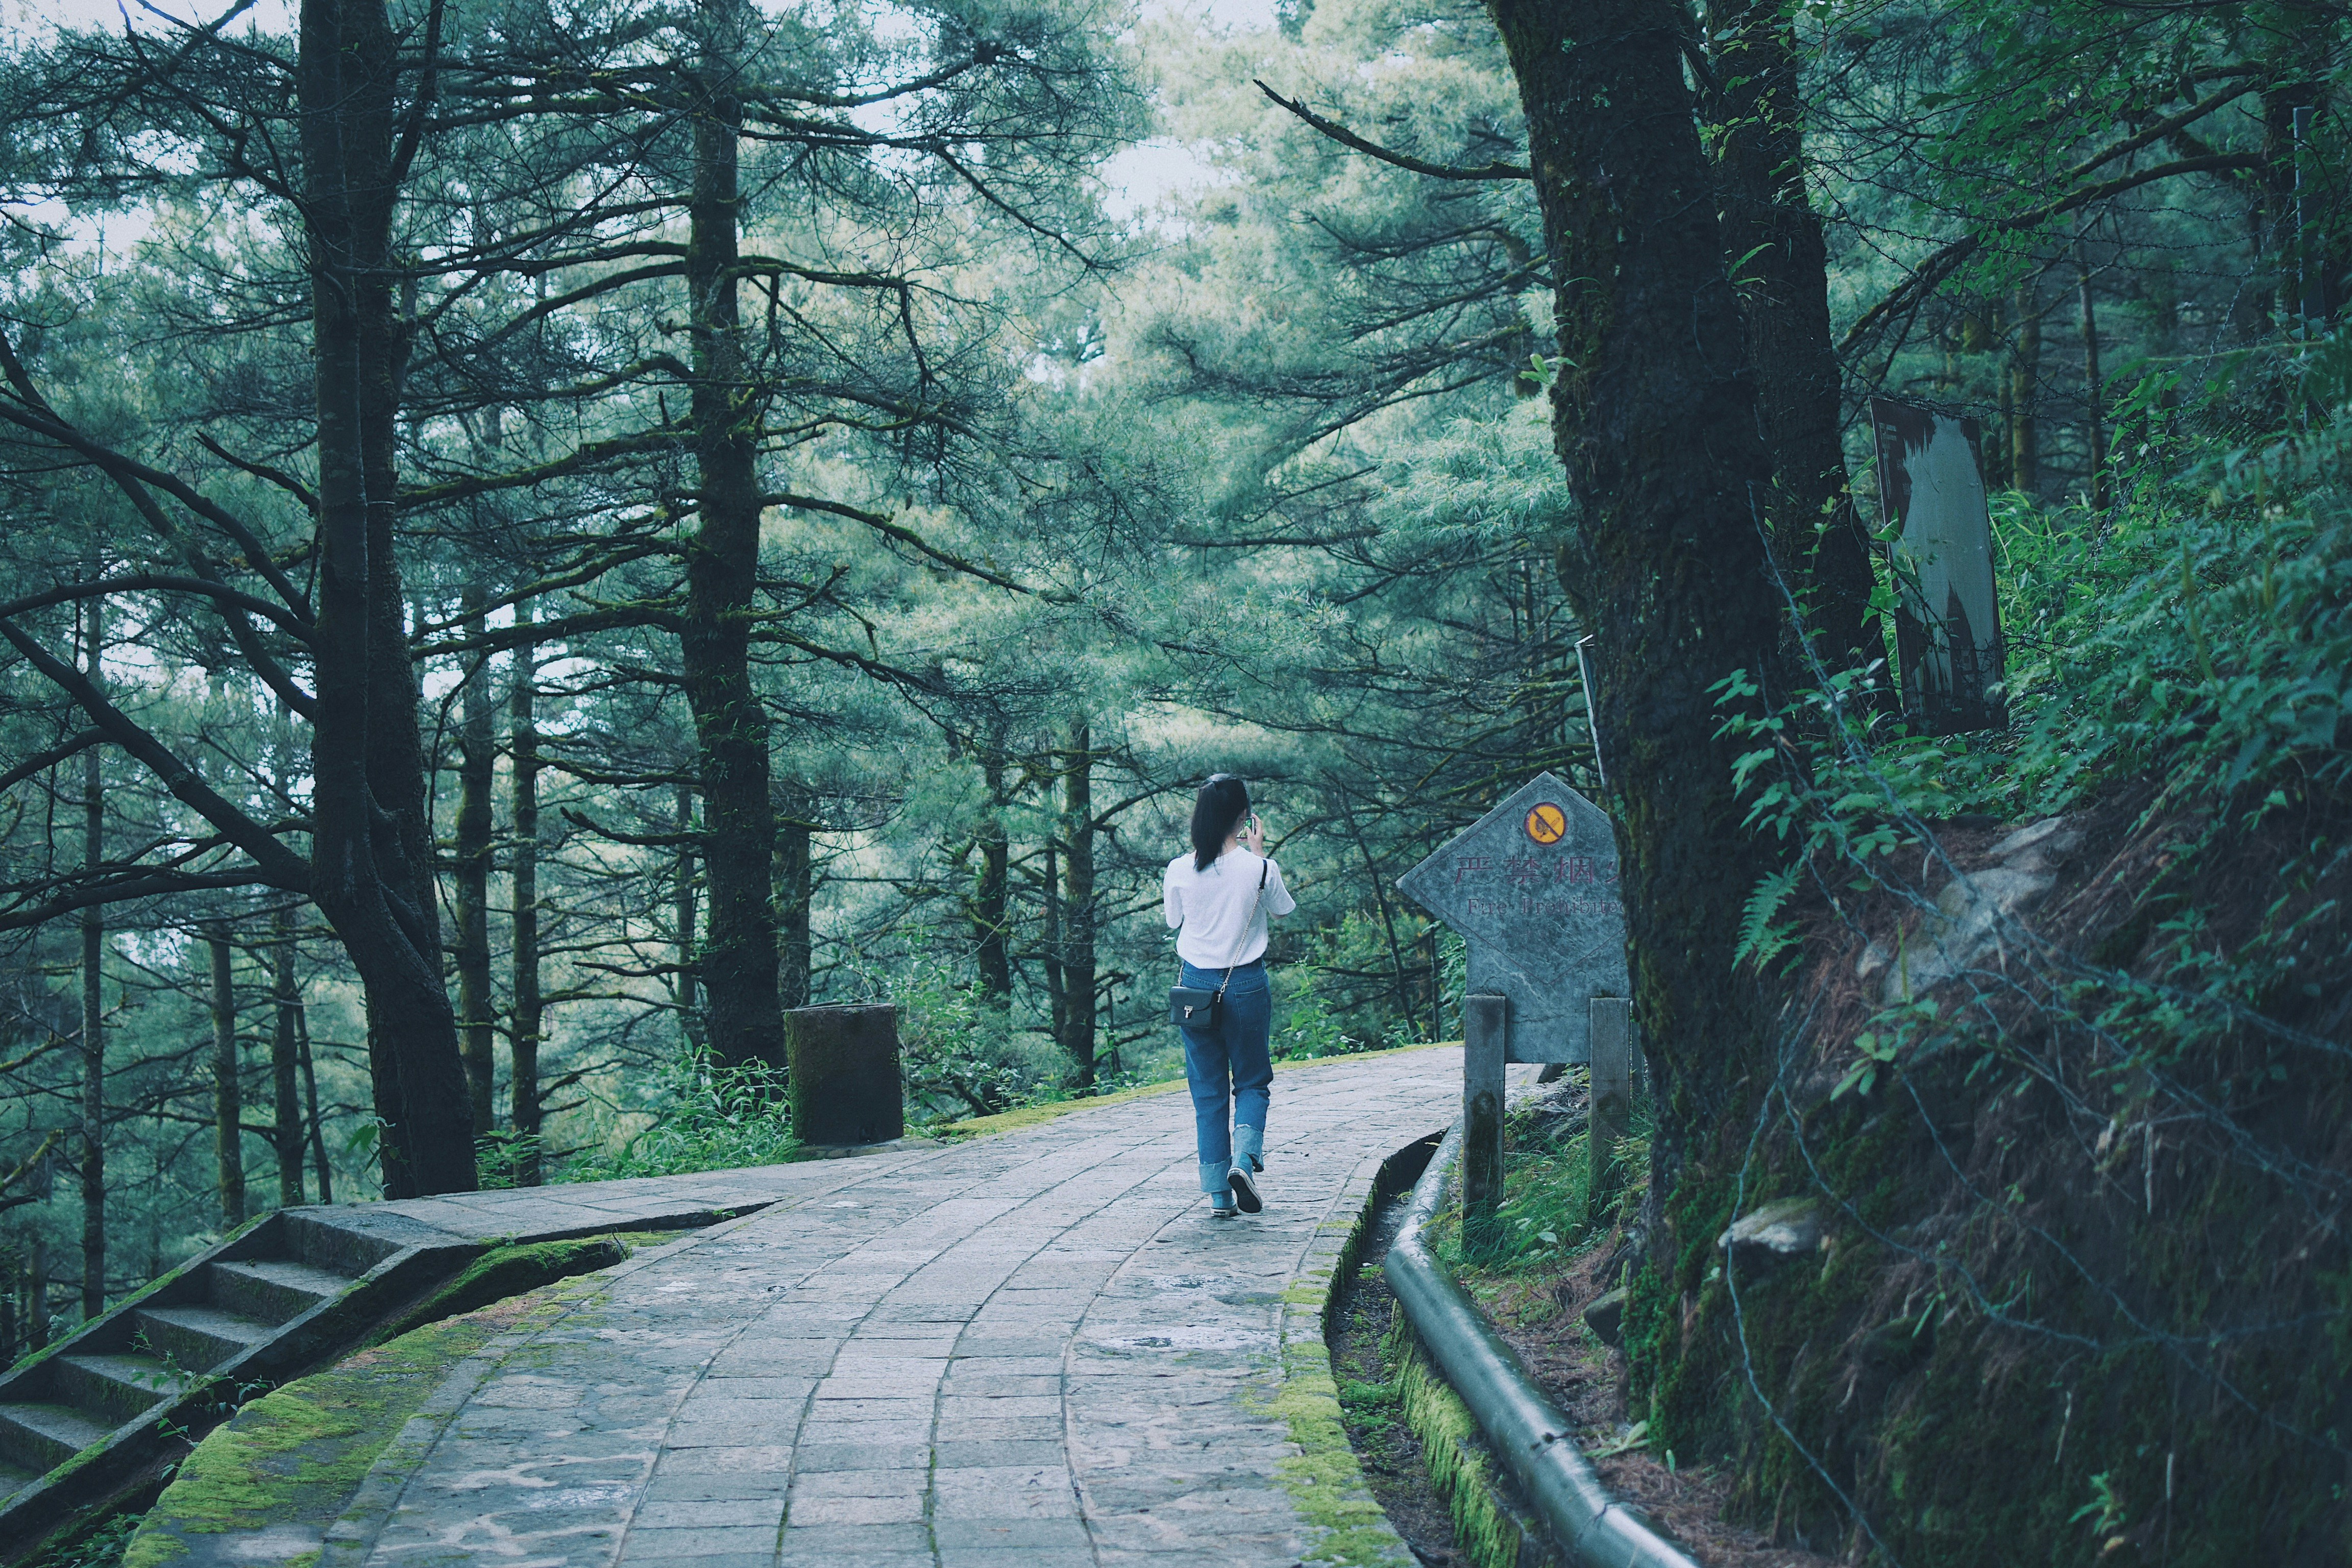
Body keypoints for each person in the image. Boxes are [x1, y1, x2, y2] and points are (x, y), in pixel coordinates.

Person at [1164, 774, 1296, 1218]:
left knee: (1208, 1090)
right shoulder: (1261, 868)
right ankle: (1244, 1160)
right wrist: (1259, 855)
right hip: (1245, 984)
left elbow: (1173, 921)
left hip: (1194, 988)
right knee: (1253, 1081)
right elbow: (1283, 911)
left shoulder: (1179, 869)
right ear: (1245, 817)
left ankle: (1219, 1195)